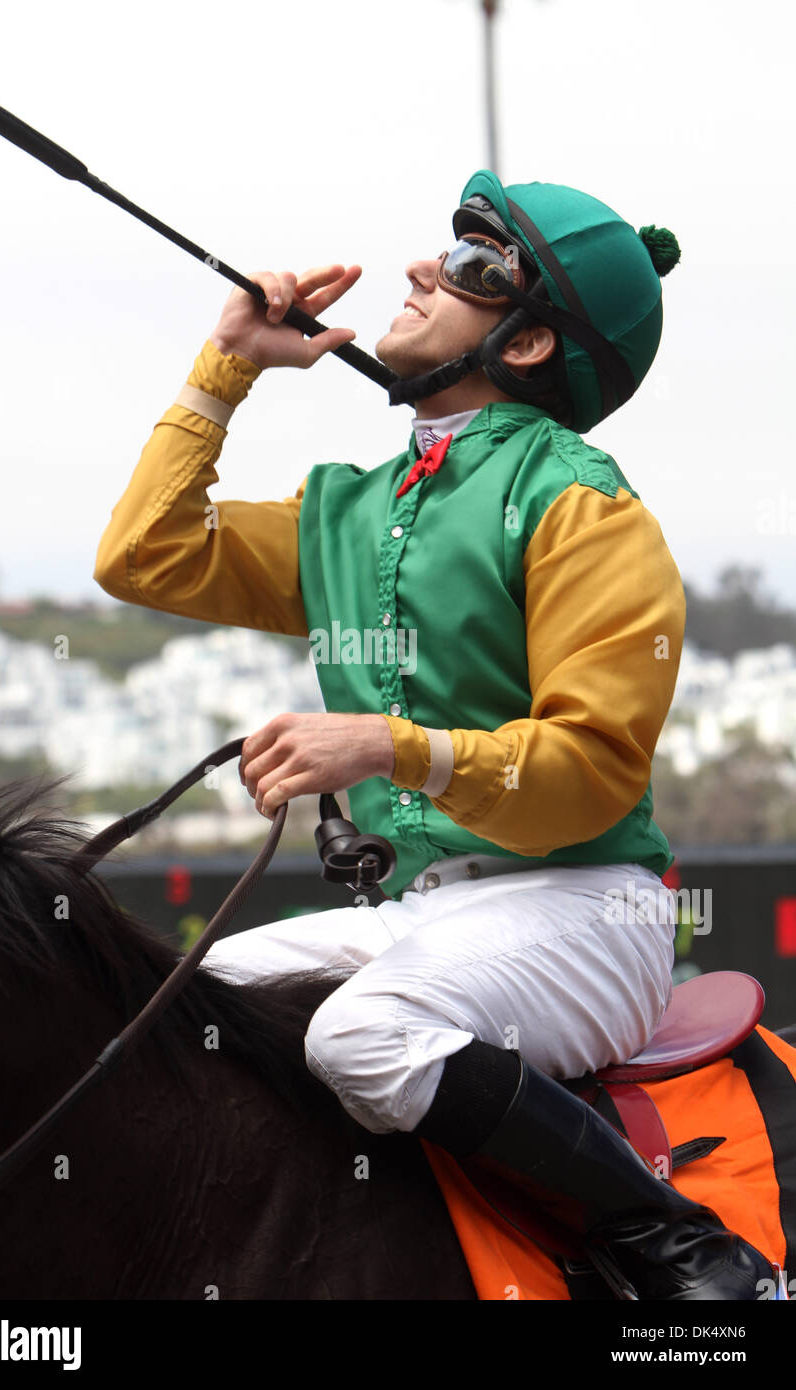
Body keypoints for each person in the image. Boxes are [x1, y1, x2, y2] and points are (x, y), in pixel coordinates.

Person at [94, 171, 773, 1299]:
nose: (419, 270)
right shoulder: (350, 509)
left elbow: (591, 779)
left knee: (358, 1035)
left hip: (585, 910)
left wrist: (387, 747)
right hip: (427, 915)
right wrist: (227, 370)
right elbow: (145, 555)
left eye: (469, 268)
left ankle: (670, 1241)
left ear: (524, 344)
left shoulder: (584, 506)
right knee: (170, 1012)